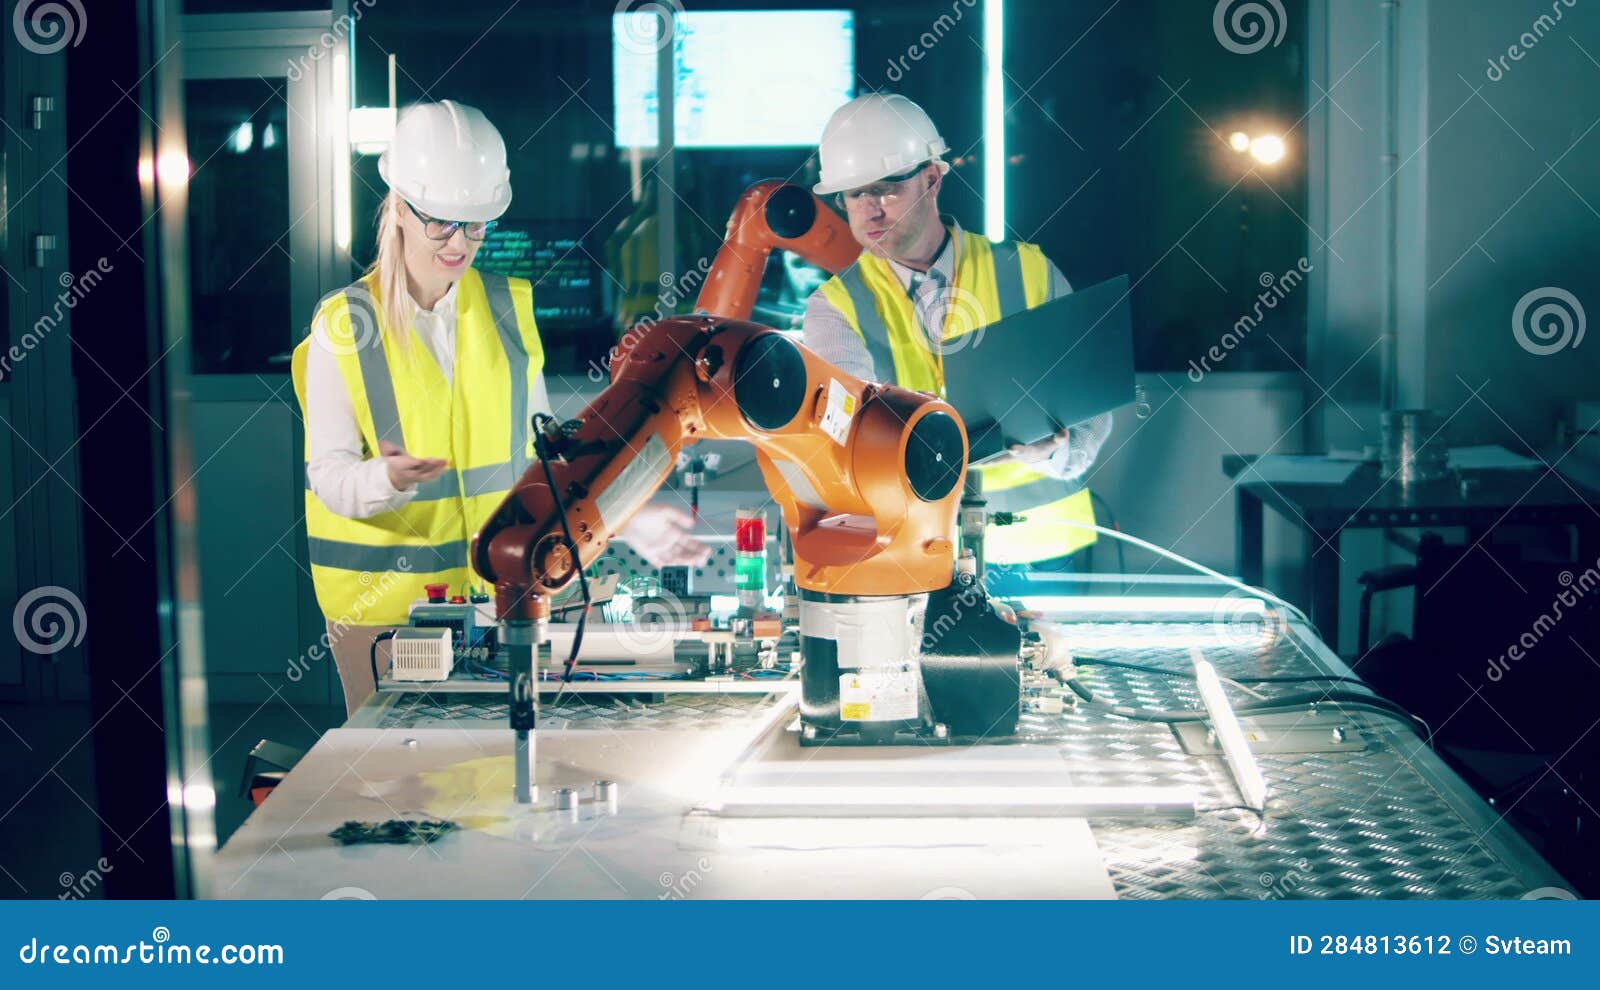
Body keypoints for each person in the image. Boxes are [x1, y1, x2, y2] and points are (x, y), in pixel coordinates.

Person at [293, 100, 707, 716]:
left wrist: (626, 520)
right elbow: (329, 477)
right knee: (398, 771)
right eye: (442, 223)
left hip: (501, 595)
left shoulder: (508, 307)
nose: (460, 244)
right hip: (384, 611)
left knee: (500, 765)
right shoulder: (344, 325)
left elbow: (547, 465)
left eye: (477, 225)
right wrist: (384, 479)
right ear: (400, 207)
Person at [801, 93, 1113, 573]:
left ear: (931, 179)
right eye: (853, 195)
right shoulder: (834, 309)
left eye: (885, 190)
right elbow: (846, 438)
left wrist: (1053, 453)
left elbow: (1091, 408)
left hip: (1044, 551)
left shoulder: (1027, 270)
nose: (870, 212)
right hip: (917, 552)